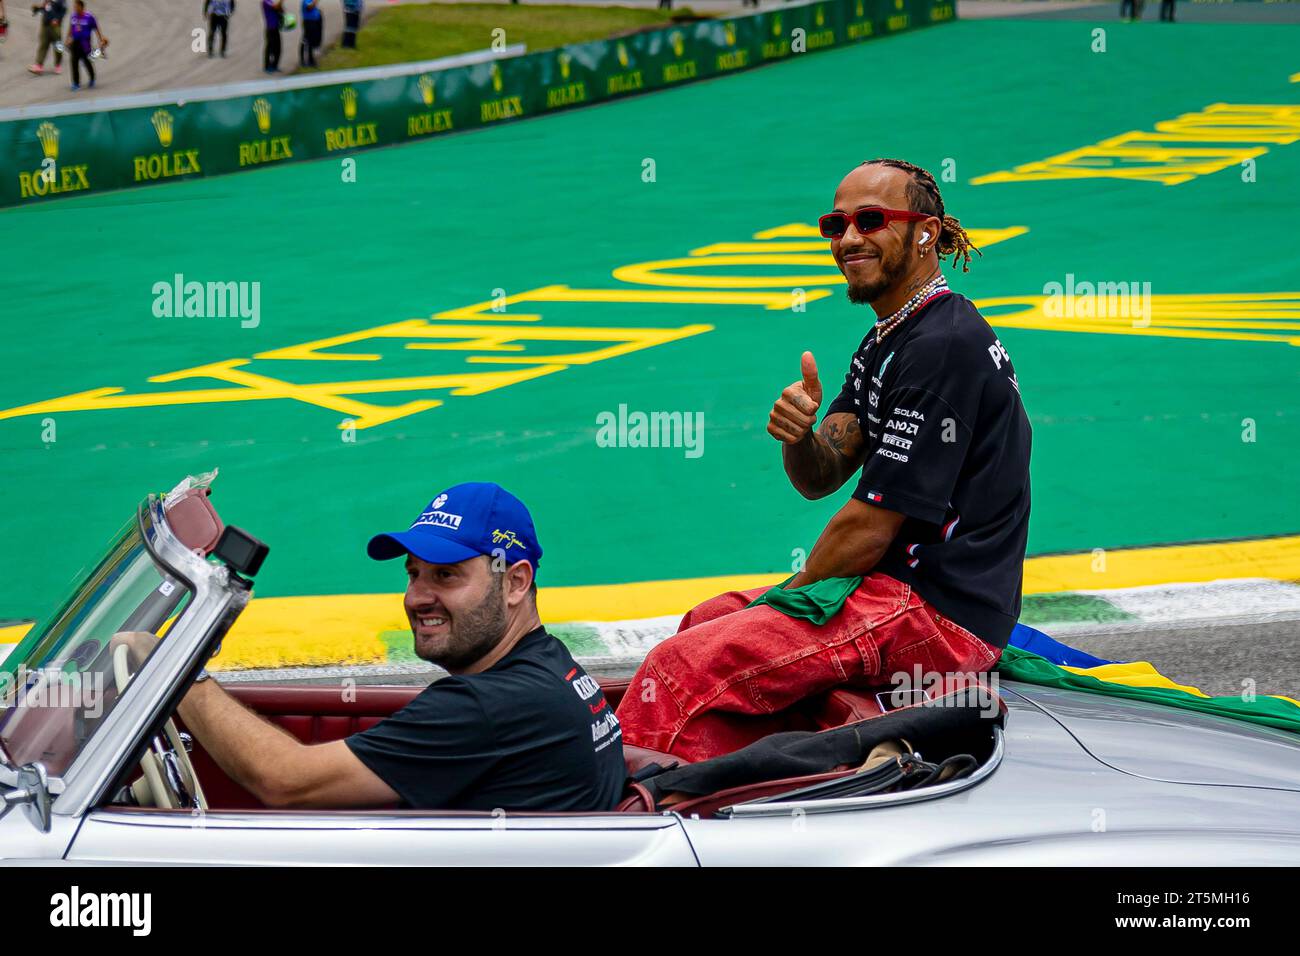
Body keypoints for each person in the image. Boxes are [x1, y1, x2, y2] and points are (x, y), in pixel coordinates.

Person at [614, 159, 1032, 762]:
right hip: (892, 594)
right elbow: (823, 474)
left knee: (683, 665)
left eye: (871, 220)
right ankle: (728, 785)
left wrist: (784, 601)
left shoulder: (943, 347)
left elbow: (866, 529)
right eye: (836, 224)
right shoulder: (892, 336)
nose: (849, 238)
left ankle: (631, 813)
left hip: (937, 618)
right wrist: (799, 435)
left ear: (927, 234)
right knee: (706, 621)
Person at [116, 483, 626, 812]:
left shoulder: (488, 708)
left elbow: (283, 781)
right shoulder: (551, 666)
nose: (417, 597)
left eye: (446, 575)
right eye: (413, 574)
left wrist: (176, 671)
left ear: (515, 583)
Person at [65, 0, 105, 91]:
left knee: (87, 61)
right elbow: (71, 28)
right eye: (74, 6)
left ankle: (92, 78)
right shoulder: (73, 16)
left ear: (81, 7)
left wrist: (101, 39)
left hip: (85, 43)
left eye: (76, 6)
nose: (74, 8)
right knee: (74, 62)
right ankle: (76, 83)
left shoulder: (89, 17)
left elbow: (96, 29)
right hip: (75, 43)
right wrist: (67, 39)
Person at [27, 0, 66, 75]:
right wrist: (37, 8)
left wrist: (57, 19)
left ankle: (58, 65)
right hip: (45, 25)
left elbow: (63, 10)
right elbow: (46, 8)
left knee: (58, 46)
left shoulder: (61, 1)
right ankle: (39, 65)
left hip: (55, 26)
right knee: (43, 45)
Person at [299, 0, 321, 67]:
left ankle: (311, 60)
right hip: (309, 23)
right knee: (306, 41)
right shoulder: (306, 1)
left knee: (311, 42)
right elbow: (309, 7)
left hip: (314, 22)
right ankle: (303, 61)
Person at [262, 0, 282, 72]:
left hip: (276, 28)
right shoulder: (265, 2)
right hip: (270, 28)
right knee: (270, 48)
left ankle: (274, 65)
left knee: (278, 48)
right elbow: (275, 6)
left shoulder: (271, 1)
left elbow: (279, 8)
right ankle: (267, 66)